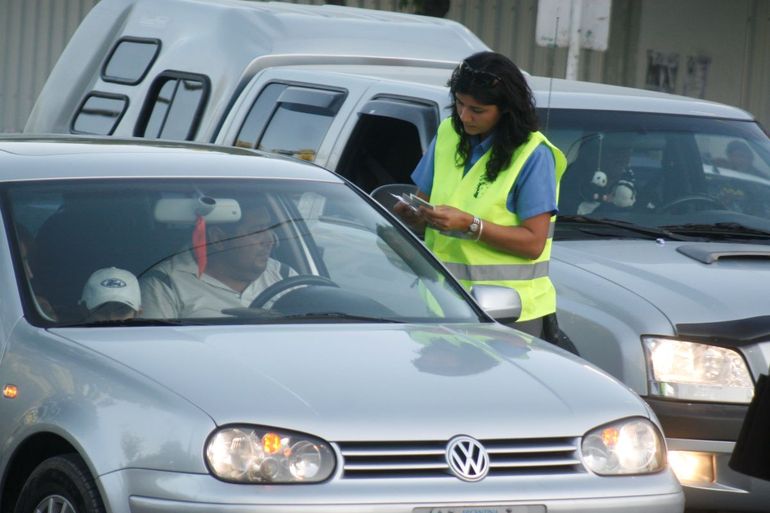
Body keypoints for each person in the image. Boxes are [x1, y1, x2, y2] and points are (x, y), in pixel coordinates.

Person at [396, 51, 567, 341]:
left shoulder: (534, 155)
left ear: (506, 110)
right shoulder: (449, 133)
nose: (464, 116)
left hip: (508, 316)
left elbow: (533, 243)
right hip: (441, 306)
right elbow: (424, 208)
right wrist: (414, 215)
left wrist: (471, 225)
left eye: (477, 110)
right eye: (459, 104)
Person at [140, 201, 295, 319]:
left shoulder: (285, 276)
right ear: (218, 239)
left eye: (269, 229)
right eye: (256, 231)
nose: (270, 240)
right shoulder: (165, 285)